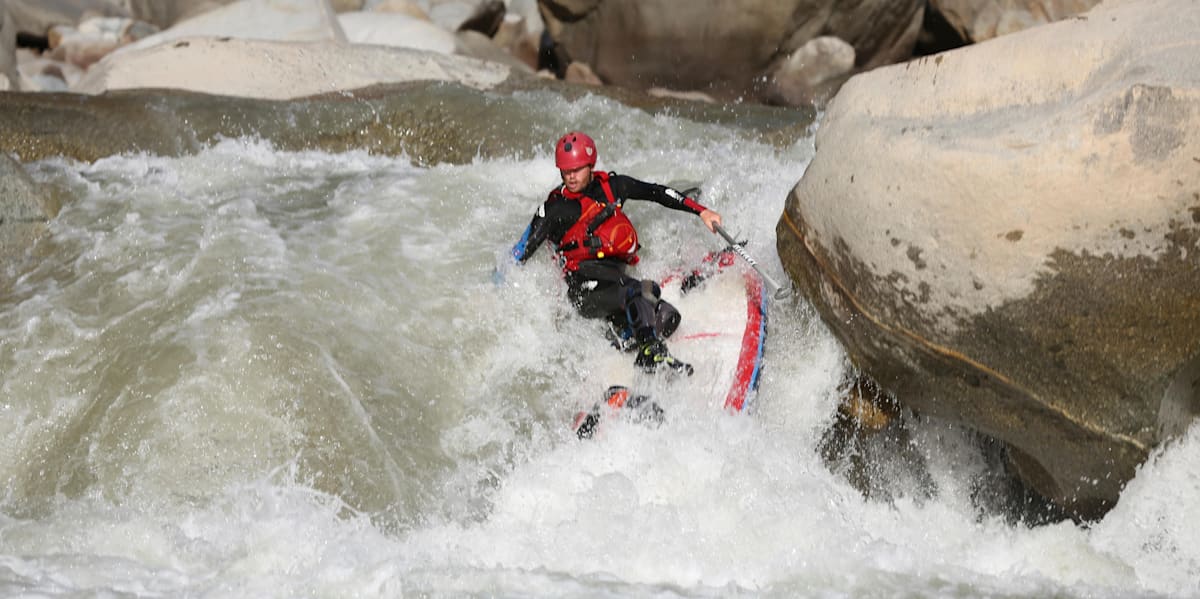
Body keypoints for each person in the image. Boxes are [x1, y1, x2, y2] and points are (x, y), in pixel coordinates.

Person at [511, 131, 723, 374]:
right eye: (565, 171)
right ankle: (650, 352)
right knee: (639, 291)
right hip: (584, 289)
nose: (571, 176)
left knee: (666, 315)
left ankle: (625, 340)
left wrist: (701, 211)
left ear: (591, 165)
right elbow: (520, 253)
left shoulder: (613, 187)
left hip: (614, 281)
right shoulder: (556, 208)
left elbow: (656, 192)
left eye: (577, 169)